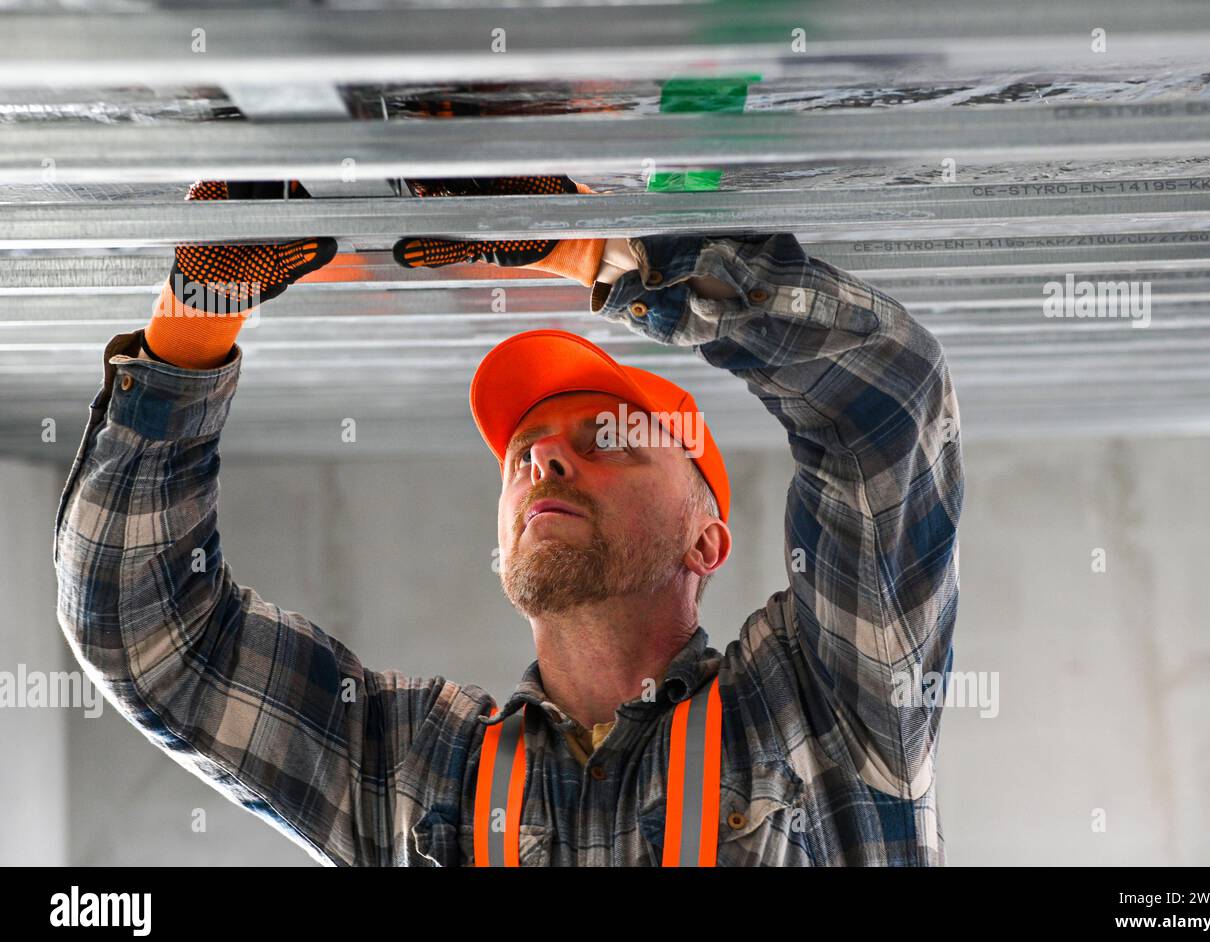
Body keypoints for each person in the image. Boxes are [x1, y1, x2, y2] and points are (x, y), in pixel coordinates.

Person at [53, 173, 964, 866]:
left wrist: (594, 251)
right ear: (501, 550)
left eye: (609, 438)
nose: (544, 459)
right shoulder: (423, 776)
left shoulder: (826, 714)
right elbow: (153, 640)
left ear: (706, 540)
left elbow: (886, 405)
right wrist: (197, 318)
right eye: (525, 451)